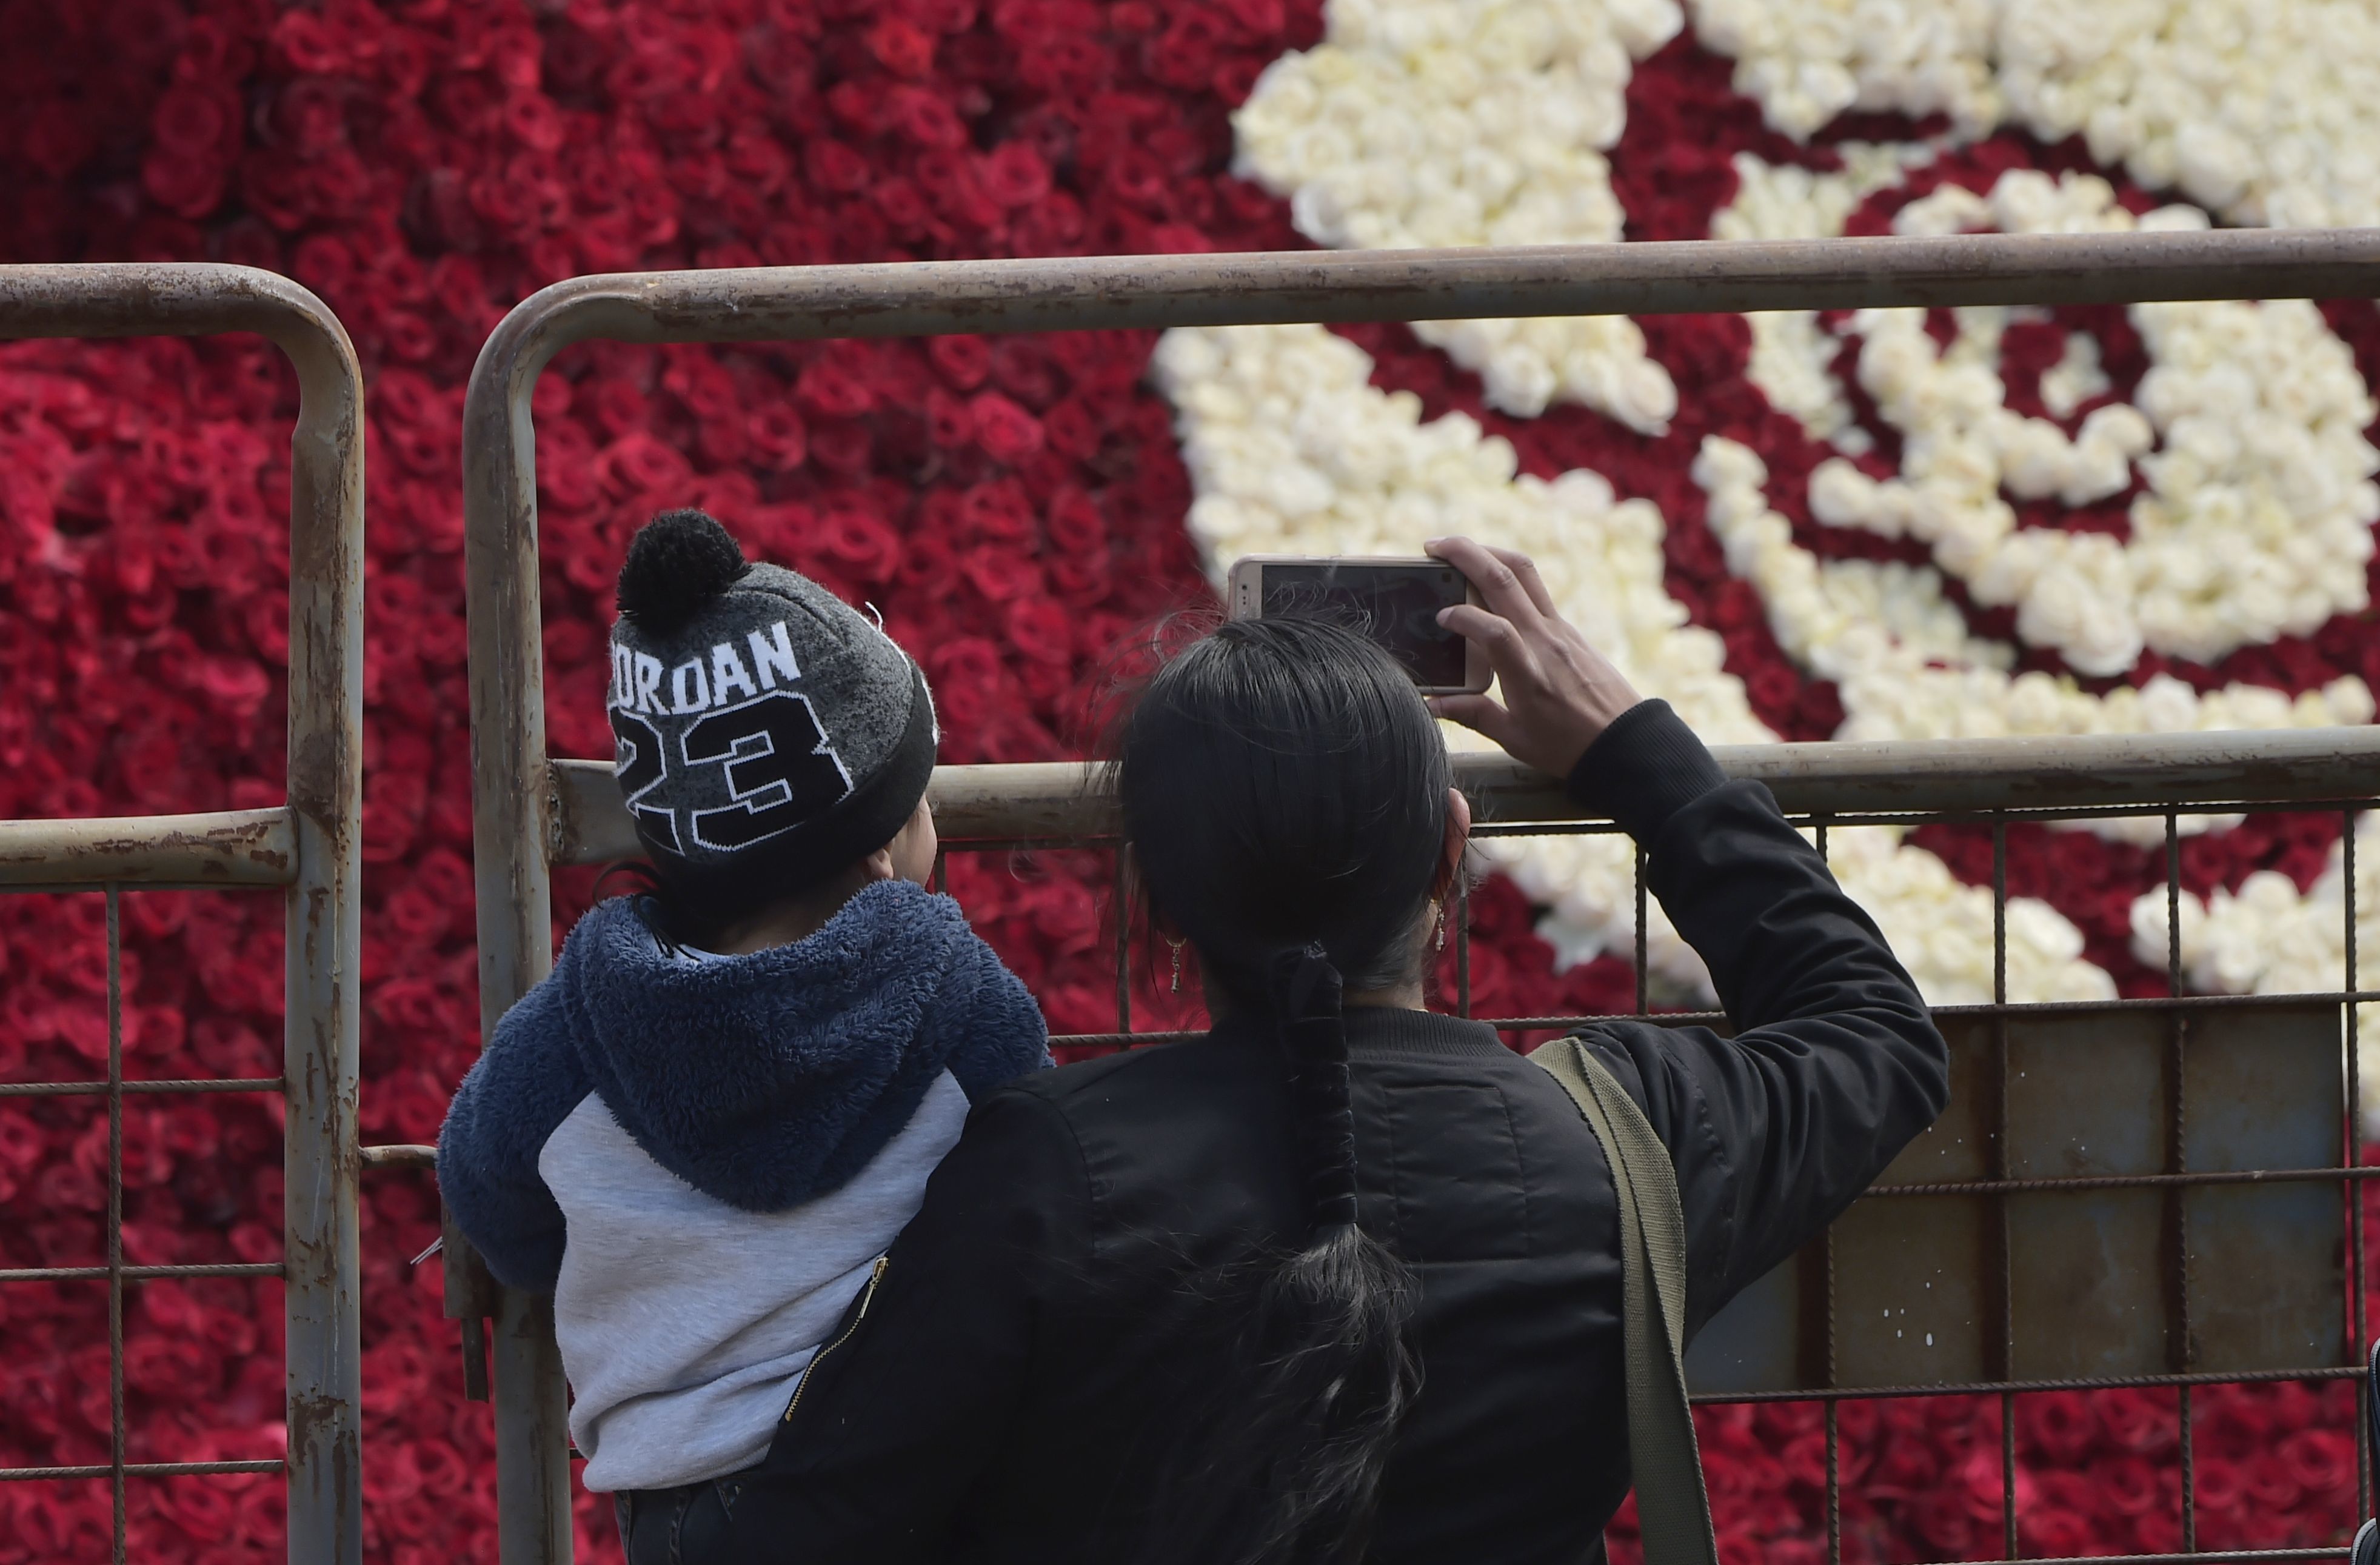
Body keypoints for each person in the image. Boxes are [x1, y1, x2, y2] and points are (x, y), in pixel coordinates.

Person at [615, 536, 1949, 1565]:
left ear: (1157, 901)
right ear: (1447, 857)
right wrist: (1633, 756)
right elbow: (1875, 1034)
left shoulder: (1048, 1175)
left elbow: (821, 1530)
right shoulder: (1623, 1136)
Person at [435, 509, 1049, 1505]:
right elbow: (1036, 1202)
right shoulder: (963, 1008)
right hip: (916, 1489)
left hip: (679, 1512)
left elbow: (494, 1205)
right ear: (880, 850)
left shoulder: (567, 1039)